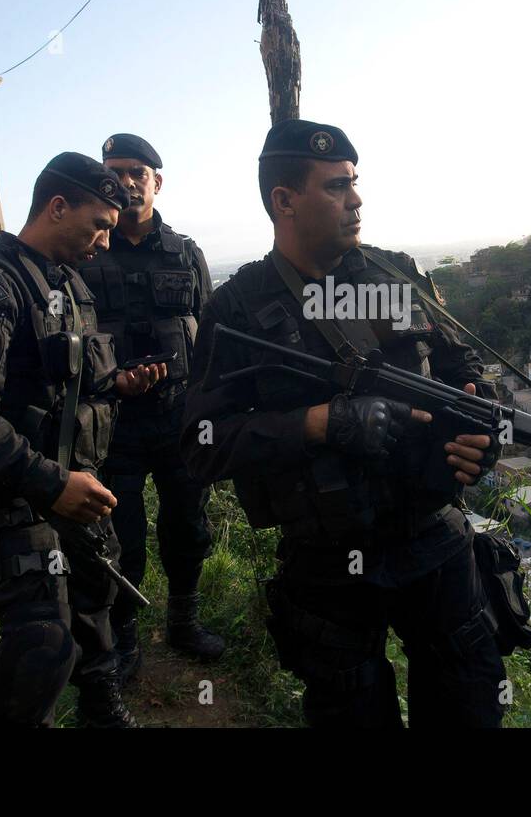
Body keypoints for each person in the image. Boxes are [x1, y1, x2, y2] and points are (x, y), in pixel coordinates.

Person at [179, 119, 506, 727]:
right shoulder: (238, 310)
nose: (356, 200)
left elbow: (469, 374)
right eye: (335, 187)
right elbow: (200, 445)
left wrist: (480, 438)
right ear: (284, 200)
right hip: (328, 561)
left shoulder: (397, 275)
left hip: (433, 539)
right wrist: (317, 423)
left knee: (470, 701)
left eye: (354, 184)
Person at [0, 152, 160, 728]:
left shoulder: (69, 286)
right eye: (100, 225)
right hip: (9, 491)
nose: (106, 241)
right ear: (57, 207)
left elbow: (69, 382)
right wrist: (52, 485)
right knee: (43, 639)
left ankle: (100, 710)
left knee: (94, 599)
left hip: (70, 484)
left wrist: (120, 384)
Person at [79, 133, 224, 676]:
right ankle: (126, 639)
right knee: (123, 535)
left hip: (180, 418)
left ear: (156, 182)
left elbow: (211, 336)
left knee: (188, 526)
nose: (128, 181)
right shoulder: (87, 249)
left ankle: (184, 622)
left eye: (138, 172)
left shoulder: (186, 253)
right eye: (116, 172)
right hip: (112, 423)